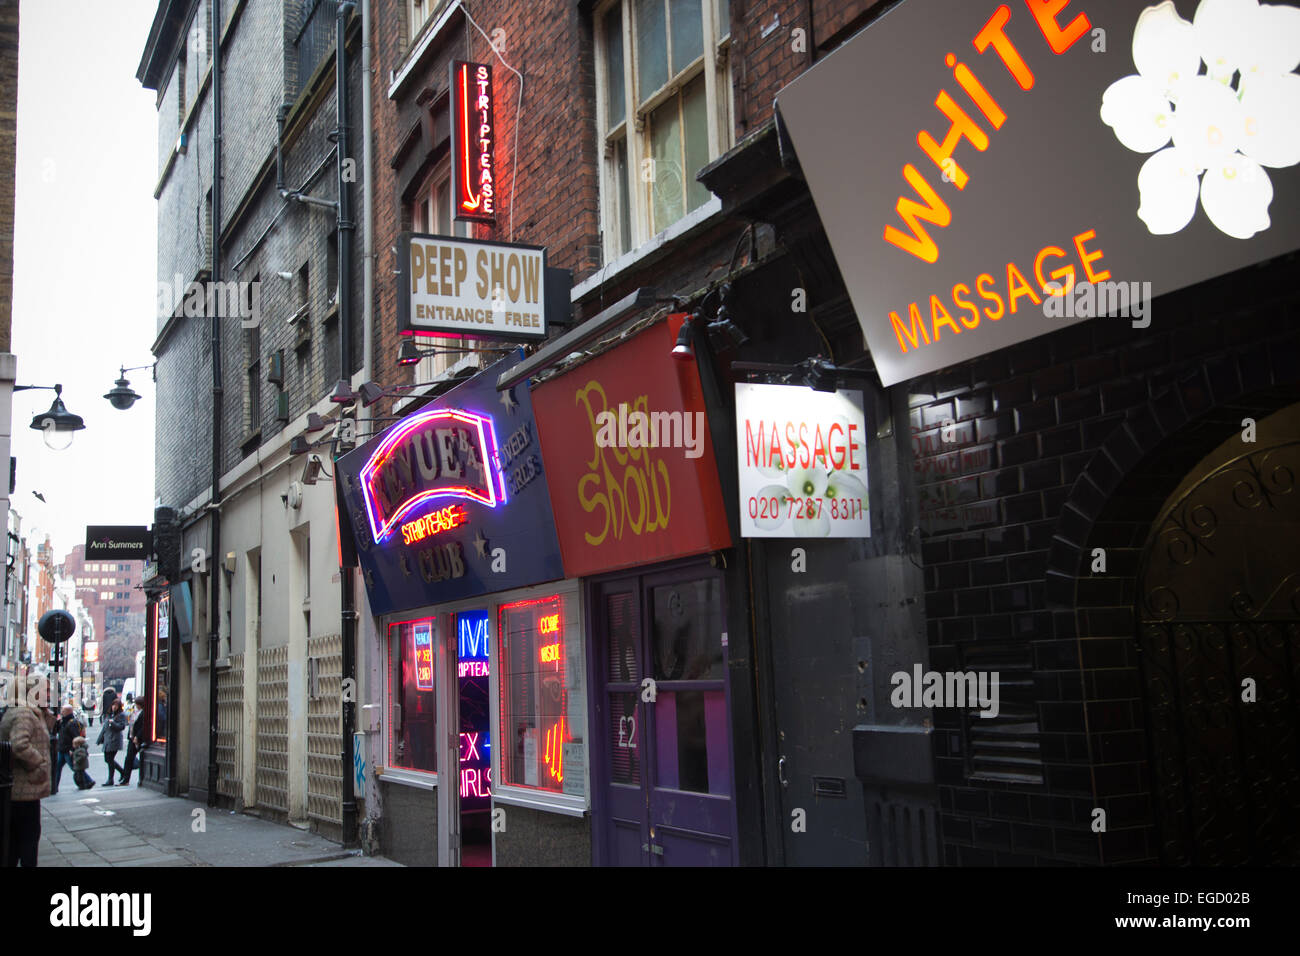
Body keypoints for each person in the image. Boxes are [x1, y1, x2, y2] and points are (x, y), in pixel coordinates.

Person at [0, 674, 56, 866]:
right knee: (27, 842)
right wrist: (38, 763)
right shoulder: (23, 713)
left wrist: (45, 713)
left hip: (24, 790)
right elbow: (19, 745)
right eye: (46, 690)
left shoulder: (28, 712)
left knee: (16, 844)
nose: (50, 694)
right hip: (22, 789)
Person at [52, 704, 82, 795]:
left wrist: (73, 749)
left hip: (68, 749)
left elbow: (76, 736)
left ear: (68, 712)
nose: (61, 712)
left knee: (74, 768)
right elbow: (54, 731)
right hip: (62, 749)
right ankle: (54, 787)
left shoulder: (71, 722)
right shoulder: (62, 722)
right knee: (58, 768)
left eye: (63, 711)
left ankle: (86, 781)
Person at [97, 699, 128, 786]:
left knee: (109, 760)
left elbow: (121, 727)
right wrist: (99, 739)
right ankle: (122, 772)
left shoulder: (121, 715)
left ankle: (110, 780)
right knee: (107, 759)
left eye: (116, 706)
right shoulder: (109, 715)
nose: (114, 707)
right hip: (108, 740)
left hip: (114, 740)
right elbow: (104, 729)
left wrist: (113, 723)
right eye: (113, 705)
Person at [121, 696, 147, 786]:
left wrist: (137, 736)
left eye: (137, 704)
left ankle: (140, 779)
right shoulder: (135, 712)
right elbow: (131, 724)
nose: (136, 705)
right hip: (132, 738)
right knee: (128, 758)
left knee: (139, 757)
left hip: (138, 739)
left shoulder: (144, 713)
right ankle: (125, 778)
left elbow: (143, 726)